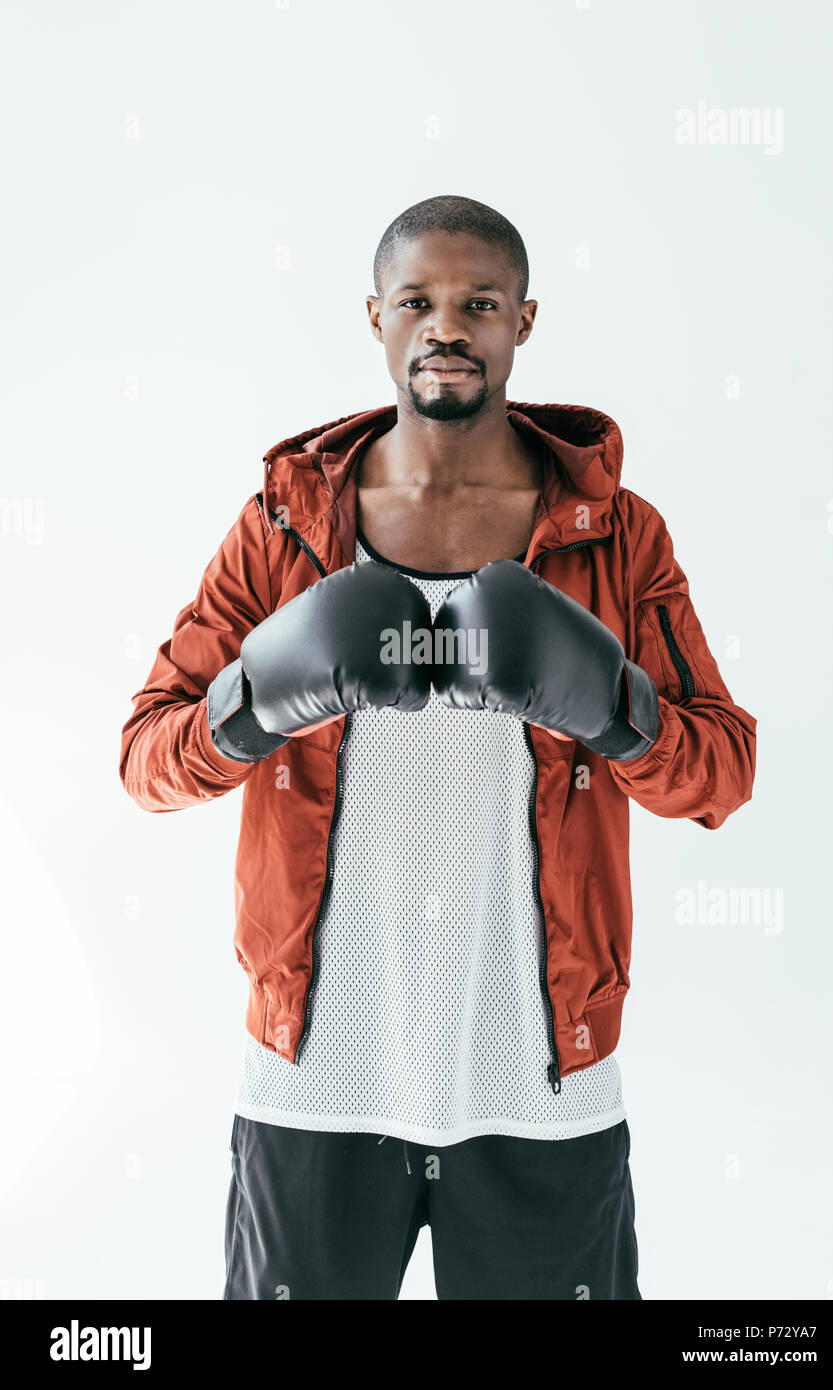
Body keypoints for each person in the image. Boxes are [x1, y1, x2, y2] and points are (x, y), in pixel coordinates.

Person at [119, 194, 758, 1301]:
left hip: (541, 1076)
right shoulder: (281, 528)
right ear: (376, 317)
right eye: (418, 300)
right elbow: (146, 756)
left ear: (524, 321)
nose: (445, 326)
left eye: (479, 303)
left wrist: (617, 709)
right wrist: (257, 702)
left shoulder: (617, 529)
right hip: (317, 1072)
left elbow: (723, 769)